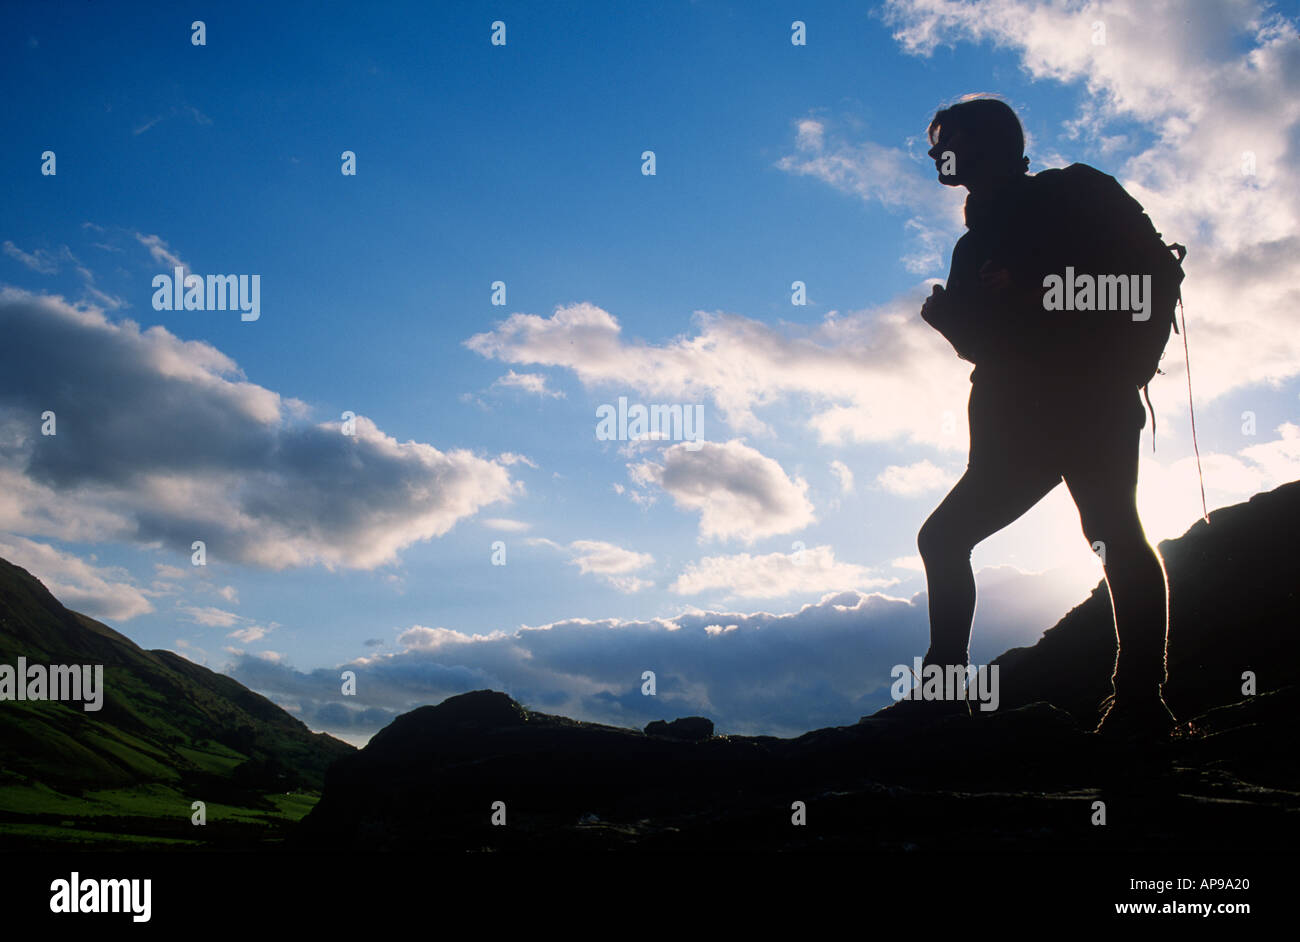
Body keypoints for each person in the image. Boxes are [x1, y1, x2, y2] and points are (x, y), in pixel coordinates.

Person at [909, 97, 1177, 738]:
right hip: (1015, 416)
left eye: (946, 139)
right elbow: (985, 343)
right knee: (954, 538)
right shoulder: (971, 247)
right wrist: (951, 326)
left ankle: (1139, 703)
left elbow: (1149, 279)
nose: (934, 152)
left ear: (986, 144)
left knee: (1109, 532)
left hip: (1088, 398)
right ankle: (1133, 703)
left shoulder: (1072, 194)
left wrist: (1042, 290)